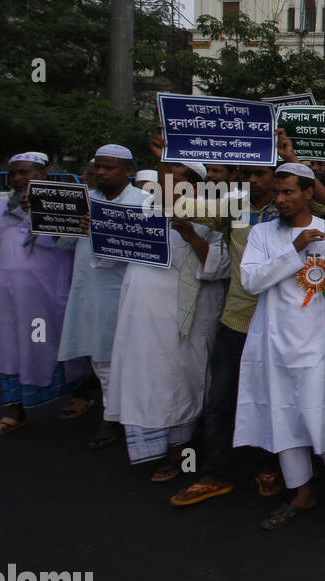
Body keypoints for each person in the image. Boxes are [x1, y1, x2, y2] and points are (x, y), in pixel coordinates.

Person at [156, 128, 325, 507]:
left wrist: (290, 155)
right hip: (238, 319)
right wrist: (166, 162)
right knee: (221, 400)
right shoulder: (234, 205)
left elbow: (318, 194)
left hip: (290, 329)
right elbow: (174, 205)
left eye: (261, 174)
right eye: (246, 173)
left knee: (283, 399)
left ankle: (274, 470)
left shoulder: (309, 214)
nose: (252, 180)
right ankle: (216, 474)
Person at [235, 163, 325, 529]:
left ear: (307, 193)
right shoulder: (262, 233)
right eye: (278, 192)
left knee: (320, 412)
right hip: (271, 340)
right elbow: (251, 280)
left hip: (318, 341)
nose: (280, 199)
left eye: (288, 192)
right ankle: (301, 491)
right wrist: (294, 250)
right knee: (282, 414)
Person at [103, 162, 229, 480]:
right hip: (139, 317)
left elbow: (221, 268)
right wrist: (98, 229)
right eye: (162, 182)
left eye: (172, 182)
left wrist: (189, 234)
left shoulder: (215, 216)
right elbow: (111, 254)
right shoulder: (147, 212)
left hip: (182, 320)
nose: (163, 188)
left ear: (195, 187)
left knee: (180, 383)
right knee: (145, 379)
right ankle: (152, 448)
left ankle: (180, 455)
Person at [0, 152, 91, 439]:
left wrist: (38, 211)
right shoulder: (2, 209)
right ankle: (15, 413)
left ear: (44, 172)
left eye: (26, 172)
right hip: (7, 299)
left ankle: (81, 394)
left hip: (46, 297)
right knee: (8, 349)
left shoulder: (64, 204)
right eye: (15, 174)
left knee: (51, 344)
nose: (20, 178)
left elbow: (71, 244)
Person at [56, 144, 148, 450]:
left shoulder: (143, 201)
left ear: (127, 171)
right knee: (100, 356)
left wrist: (104, 231)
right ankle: (112, 414)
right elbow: (64, 244)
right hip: (90, 290)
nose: (101, 172)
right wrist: (57, 220)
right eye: (98, 166)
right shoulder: (85, 200)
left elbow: (144, 248)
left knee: (127, 357)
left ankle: (129, 415)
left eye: (109, 167)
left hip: (126, 290)